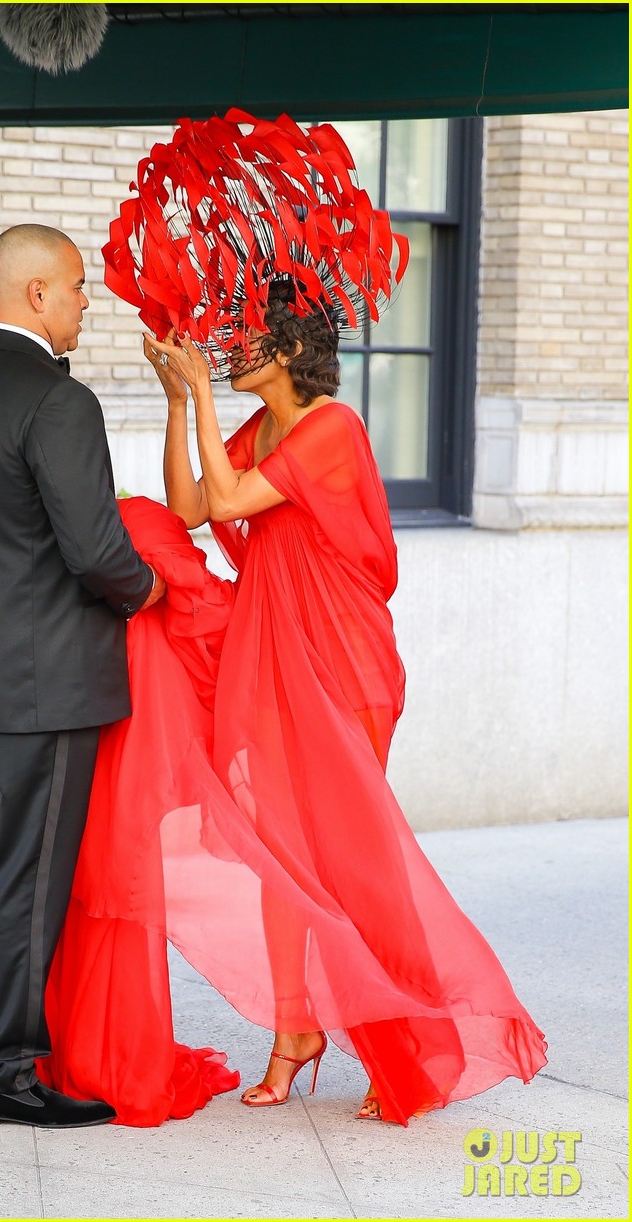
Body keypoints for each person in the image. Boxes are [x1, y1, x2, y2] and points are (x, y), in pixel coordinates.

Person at [37, 283, 547, 1126]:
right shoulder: (264, 429)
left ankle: (408, 1039)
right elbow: (192, 506)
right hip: (271, 659)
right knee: (281, 854)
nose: (230, 350)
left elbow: (232, 499)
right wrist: (177, 404)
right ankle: (292, 1034)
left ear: (287, 350)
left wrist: (200, 393)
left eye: (245, 339)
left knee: (354, 862)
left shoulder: (328, 428)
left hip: (342, 667)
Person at [0, 224, 165, 1130]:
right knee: (26, 874)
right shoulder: (59, 402)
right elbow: (94, 548)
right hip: (45, 679)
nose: (85, 306)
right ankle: (4, 1073)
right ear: (34, 296)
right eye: (76, 289)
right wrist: (148, 586)